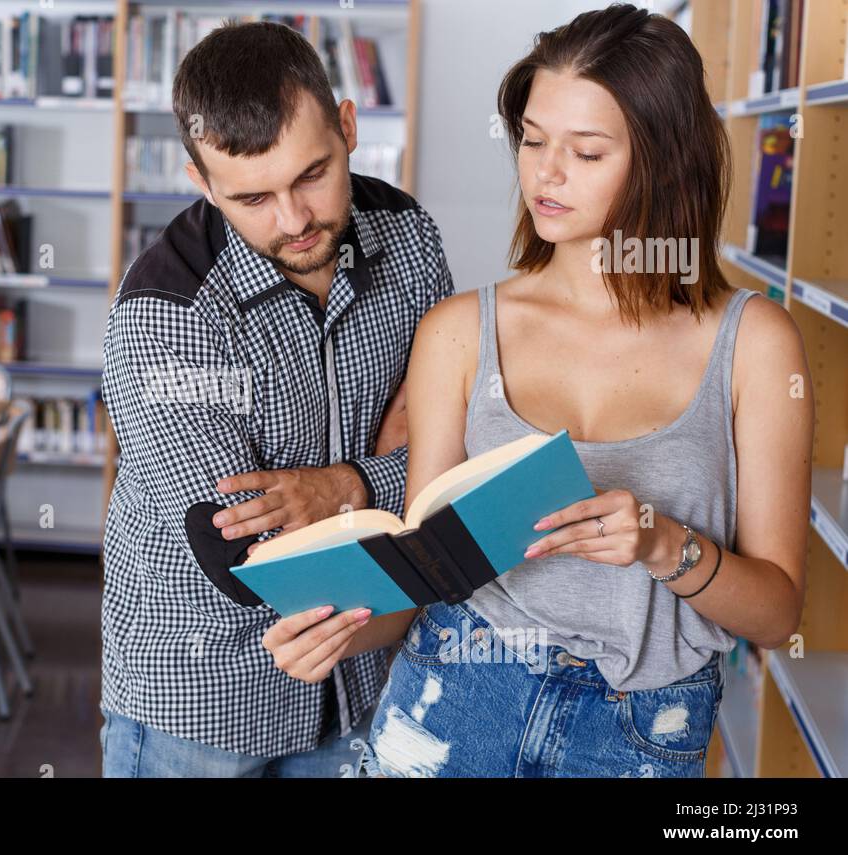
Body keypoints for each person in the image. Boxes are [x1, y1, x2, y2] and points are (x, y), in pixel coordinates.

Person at [263, 4, 812, 778]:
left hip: (640, 729)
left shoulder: (755, 344)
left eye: (586, 153)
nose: (544, 174)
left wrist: (662, 544)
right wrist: (333, 631)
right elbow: (425, 571)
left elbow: (780, 609)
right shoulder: (458, 331)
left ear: (663, 160)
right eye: (531, 140)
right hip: (451, 699)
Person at [99, 21, 455, 777]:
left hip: (361, 683)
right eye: (252, 198)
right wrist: (403, 474)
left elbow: (457, 444)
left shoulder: (412, 239)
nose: (293, 220)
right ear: (201, 181)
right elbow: (242, 555)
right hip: (199, 709)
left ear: (349, 128)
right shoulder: (168, 311)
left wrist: (341, 487)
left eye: (312, 175)